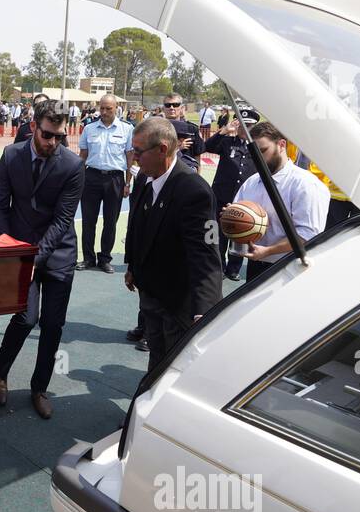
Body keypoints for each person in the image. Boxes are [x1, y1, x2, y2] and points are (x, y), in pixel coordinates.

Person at [0, 104, 84, 418]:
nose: (52, 143)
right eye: (47, 135)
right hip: (20, 249)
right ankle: (0, 372)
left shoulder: (72, 166)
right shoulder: (12, 156)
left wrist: (34, 259)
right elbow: (0, 206)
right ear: (32, 126)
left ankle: (39, 387)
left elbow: (62, 220)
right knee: (24, 319)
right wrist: (10, 249)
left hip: (58, 253)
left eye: (59, 136)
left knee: (52, 325)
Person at [124, 118, 223, 370]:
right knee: (156, 357)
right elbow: (136, 225)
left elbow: (206, 254)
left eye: (138, 151)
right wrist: (132, 266)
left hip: (178, 301)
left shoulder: (194, 191)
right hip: (150, 292)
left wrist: (205, 307)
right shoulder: (145, 179)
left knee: (174, 365)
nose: (134, 158)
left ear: (162, 149)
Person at [225, 121, 329, 284]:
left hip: (291, 268)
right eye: (253, 153)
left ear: (281, 144)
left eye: (263, 151)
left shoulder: (306, 184)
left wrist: (268, 251)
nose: (257, 158)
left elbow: (309, 235)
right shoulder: (251, 182)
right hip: (256, 265)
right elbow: (237, 217)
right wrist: (230, 218)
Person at [77, 93, 134, 272]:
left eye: (108, 108)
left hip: (115, 179)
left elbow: (130, 157)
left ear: (116, 108)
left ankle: (104, 259)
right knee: (88, 220)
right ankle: (88, 258)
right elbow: (83, 156)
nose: (104, 111)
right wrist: (78, 179)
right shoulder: (89, 129)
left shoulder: (126, 129)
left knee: (110, 221)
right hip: (91, 177)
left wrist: (127, 183)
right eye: (101, 108)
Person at [204, 107, 258, 280]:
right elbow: (207, 146)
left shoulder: (258, 148)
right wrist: (223, 131)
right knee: (218, 235)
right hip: (222, 195)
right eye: (241, 125)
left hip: (244, 199)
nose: (244, 129)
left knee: (241, 234)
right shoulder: (228, 142)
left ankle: (234, 268)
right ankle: (218, 267)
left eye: (248, 126)